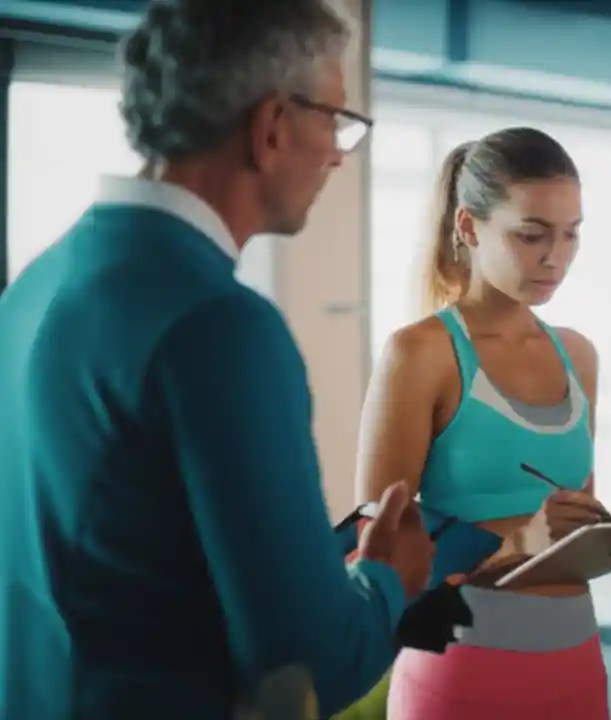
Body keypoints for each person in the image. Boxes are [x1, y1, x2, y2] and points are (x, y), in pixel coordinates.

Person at [0, 1, 435, 717]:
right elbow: (306, 664)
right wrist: (389, 580)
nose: (336, 152)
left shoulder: (36, 284)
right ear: (271, 127)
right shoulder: (223, 326)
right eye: (334, 120)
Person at [354, 127, 611, 720]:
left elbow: (572, 527)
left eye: (571, 235)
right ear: (469, 227)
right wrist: (520, 542)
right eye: (531, 235)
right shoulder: (421, 353)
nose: (556, 257)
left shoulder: (580, 355)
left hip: (576, 658)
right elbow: (377, 547)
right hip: (463, 666)